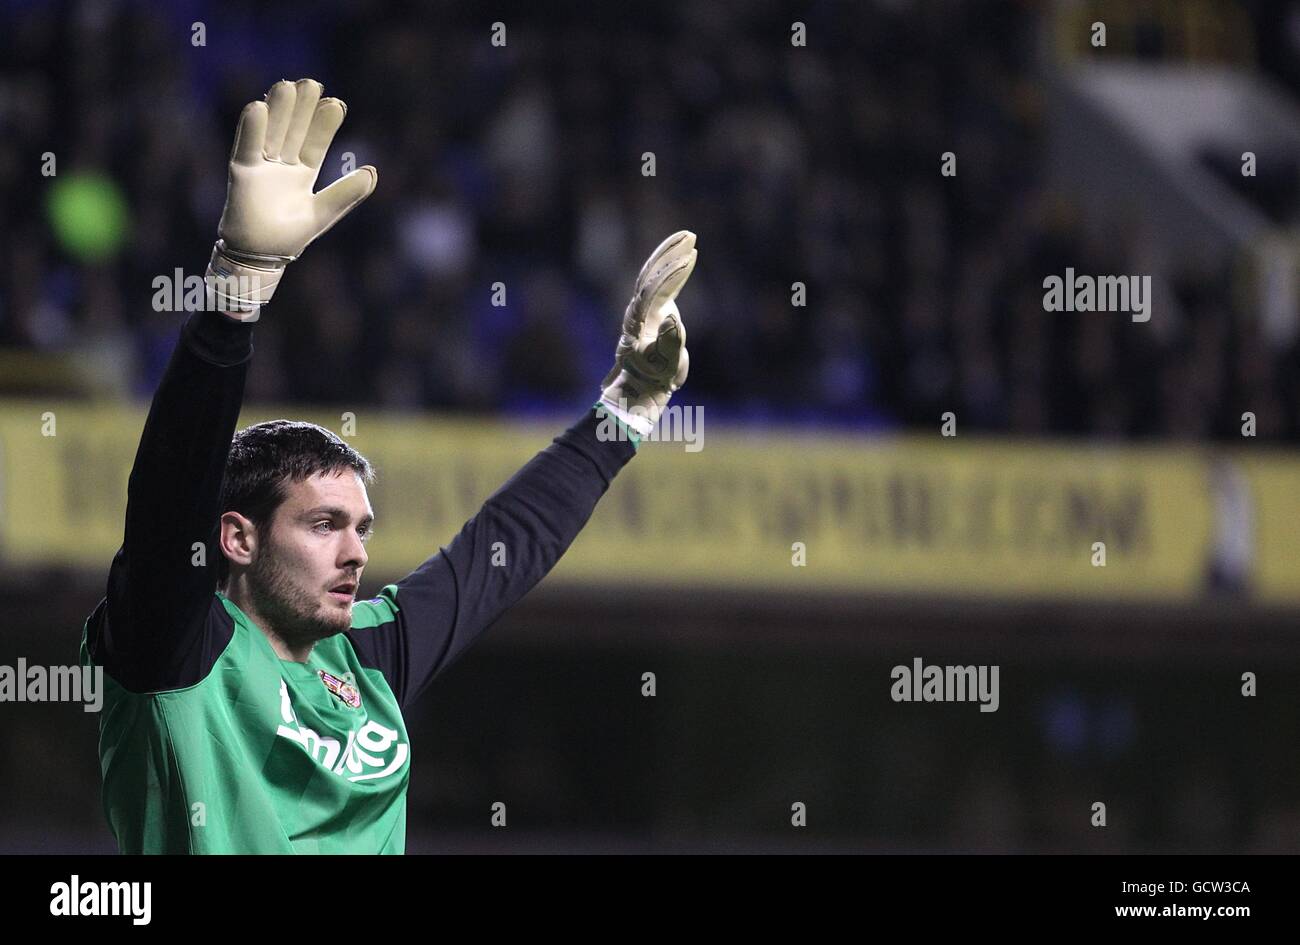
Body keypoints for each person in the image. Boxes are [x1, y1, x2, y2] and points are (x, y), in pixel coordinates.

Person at [79, 79, 697, 854]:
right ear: (236, 538)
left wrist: (631, 404)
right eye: (325, 524)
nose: (357, 551)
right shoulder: (176, 648)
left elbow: (499, 551)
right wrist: (236, 286)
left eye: (362, 527)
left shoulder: (368, 654)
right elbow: (170, 500)